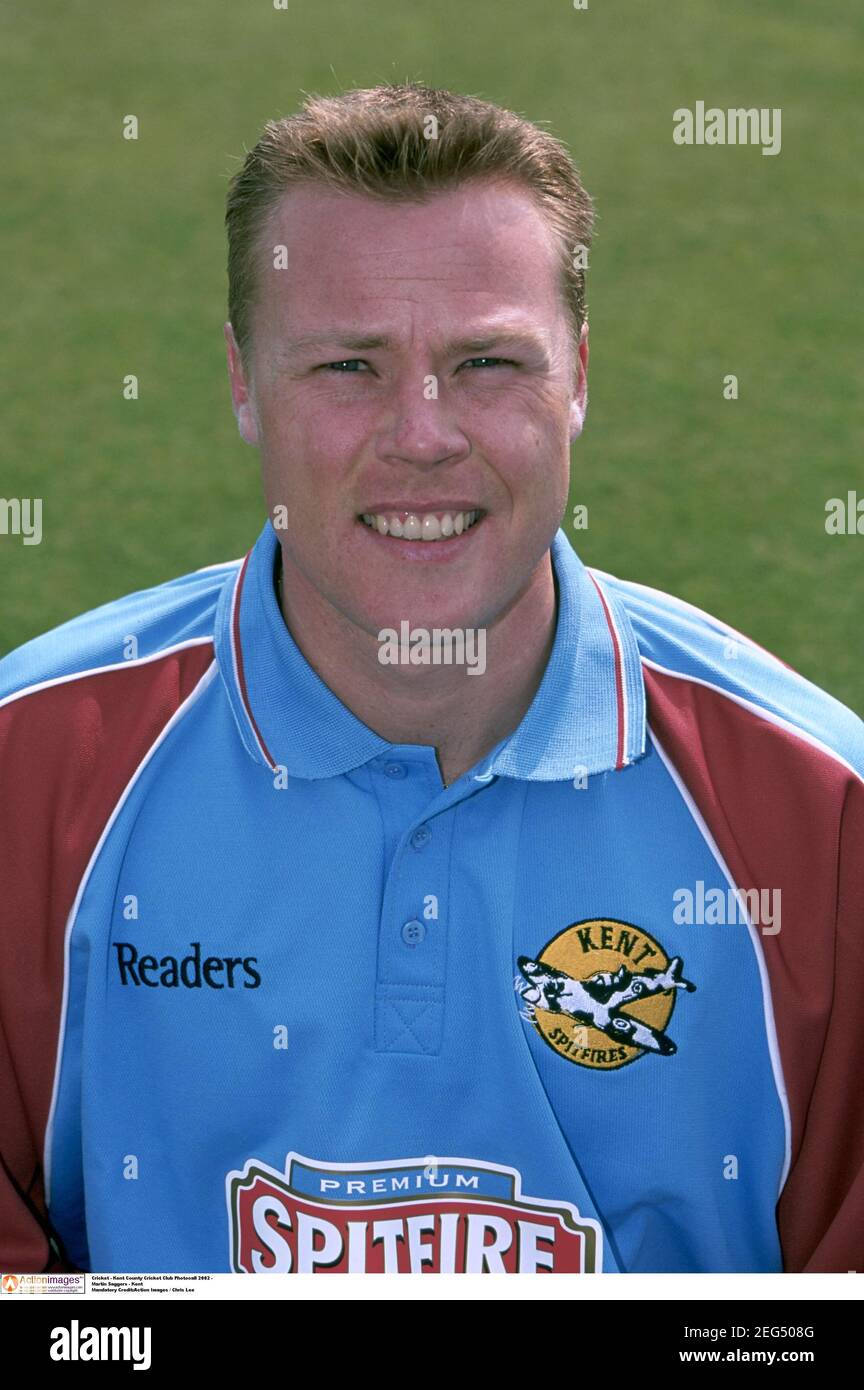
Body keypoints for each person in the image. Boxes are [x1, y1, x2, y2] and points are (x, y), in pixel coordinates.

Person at [1, 82, 861, 1276]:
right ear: (243, 381)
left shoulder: (822, 818)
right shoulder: (29, 773)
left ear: (579, 379)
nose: (421, 434)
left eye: (488, 362)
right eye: (349, 365)